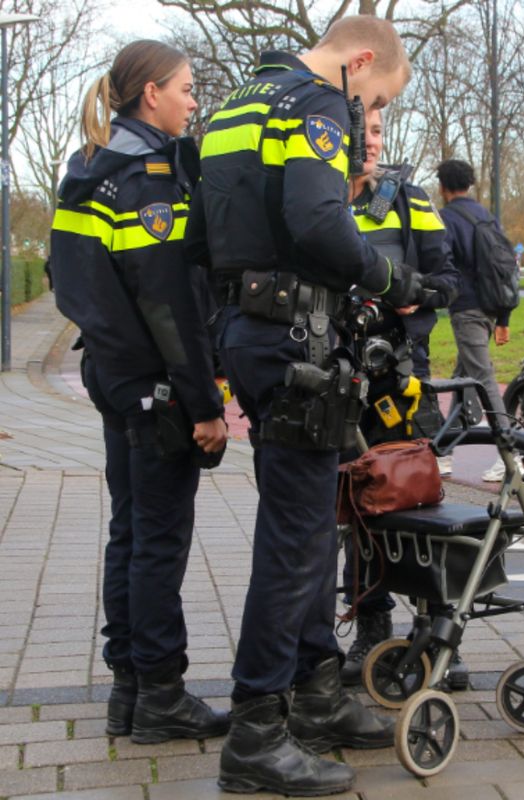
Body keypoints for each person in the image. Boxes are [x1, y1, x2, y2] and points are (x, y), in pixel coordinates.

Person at [187, 17, 423, 797]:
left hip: (249, 331)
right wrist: (393, 283)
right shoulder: (314, 102)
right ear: (360, 62)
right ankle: (257, 732)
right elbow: (319, 221)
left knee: (310, 522)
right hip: (295, 336)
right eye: (377, 96)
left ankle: (318, 696)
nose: (366, 116)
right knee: (293, 540)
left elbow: (205, 233)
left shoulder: (233, 104)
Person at [49, 40, 230, 743]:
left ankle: (128, 688)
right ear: (151, 93)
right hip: (157, 385)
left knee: (130, 534)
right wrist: (206, 404)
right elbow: (168, 303)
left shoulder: (91, 167)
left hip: (115, 377)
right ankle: (161, 696)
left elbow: (76, 289)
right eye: (187, 88)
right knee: (158, 541)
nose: (194, 100)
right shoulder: (149, 177)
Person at [340, 107, 463, 688]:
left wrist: (418, 302)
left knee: (416, 504)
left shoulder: (408, 198)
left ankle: (440, 636)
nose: (370, 141)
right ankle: (371, 634)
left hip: (399, 380)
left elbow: (447, 281)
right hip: (334, 380)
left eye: (378, 132)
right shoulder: (313, 197)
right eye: (359, 129)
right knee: (353, 513)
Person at [436, 158, 522, 482]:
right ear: (469, 184)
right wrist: (504, 318)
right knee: (463, 378)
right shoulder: (487, 217)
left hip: (467, 310)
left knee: (482, 378)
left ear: (443, 187)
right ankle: (443, 453)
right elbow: (505, 268)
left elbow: (442, 262)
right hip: (489, 308)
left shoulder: (446, 218)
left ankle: (511, 456)